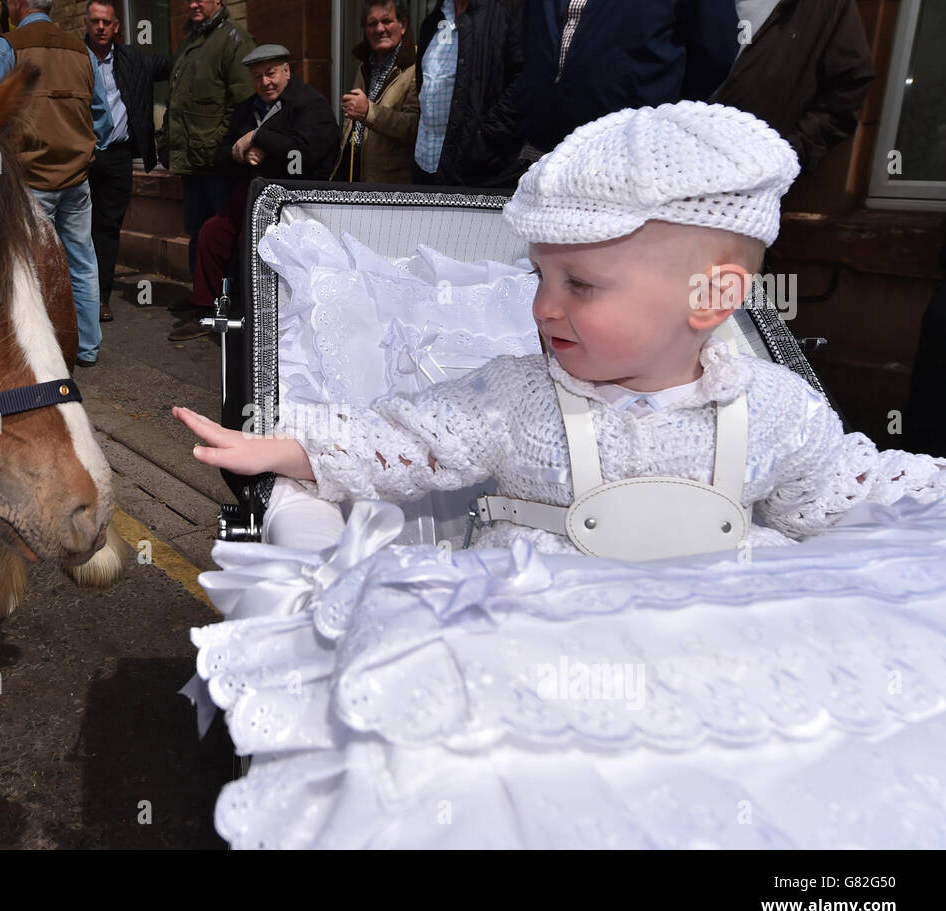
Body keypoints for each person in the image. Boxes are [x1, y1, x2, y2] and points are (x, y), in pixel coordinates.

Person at [174, 102, 946, 556]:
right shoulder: (515, 400)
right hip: (535, 640)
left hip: (709, 649)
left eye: (579, 284)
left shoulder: (778, 411)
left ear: (714, 297)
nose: (542, 305)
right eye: (539, 276)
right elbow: (409, 441)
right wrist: (290, 446)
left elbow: (858, 488)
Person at [168, 45, 339, 342]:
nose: (265, 82)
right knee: (212, 234)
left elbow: (306, 153)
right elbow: (220, 154)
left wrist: (260, 137)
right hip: (250, 192)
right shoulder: (247, 108)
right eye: (258, 76)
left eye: (271, 73)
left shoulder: (311, 105)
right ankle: (207, 310)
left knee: (259, 248)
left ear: (287, 71)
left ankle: (264, 323)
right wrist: (239, 155)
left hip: (293, 199)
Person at [0, 0, 113, 368]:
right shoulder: (81, 50)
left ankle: (42, 351)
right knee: (82, 259)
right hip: (76, 176)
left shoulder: (6, 47)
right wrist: (86, 149)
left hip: (29, 177)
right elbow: (102, 117)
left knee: (32, 266)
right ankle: (86, 347)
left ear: (18, 5)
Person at [514, 0, 739, 174]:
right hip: (545, 142)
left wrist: (661, 100)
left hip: (629, 147)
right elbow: (528, 35)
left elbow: (716, 51)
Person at [84, 0, 174, 323]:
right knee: (78, 228)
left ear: (117, 25)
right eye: (95, 21)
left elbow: (174, 66)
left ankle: (101, 297)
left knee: (108, 228)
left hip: (119, 157)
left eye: (107, 22)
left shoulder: (133, 58)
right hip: (83, 157)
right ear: (87, 23)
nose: (101, 27)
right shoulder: (74, 59)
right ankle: (78, 296)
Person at [714, 0, 875, 174]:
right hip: (685, 152)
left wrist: (789, 151)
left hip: (753, 174)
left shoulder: (826, 6)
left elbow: (850, 85)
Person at [161, 0, 255, 289]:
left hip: (218, 164)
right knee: (197, 232)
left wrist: (222, 148)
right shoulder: (192, 40)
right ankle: (200, 299)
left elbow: (244, 102)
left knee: (222, 234)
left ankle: (224, 305)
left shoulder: (234, 39)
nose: (193, 3)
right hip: (192, 161)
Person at [412, 0, 524, 188]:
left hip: (480, 173)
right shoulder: (435, 19)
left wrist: (481, 141)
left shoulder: (507, 12)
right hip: (426, 166)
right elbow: (423, 86)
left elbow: (523, 84)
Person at [330, 0, 419, 184]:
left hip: (393, 192)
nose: (379, 29)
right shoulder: (366, 65)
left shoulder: (417, 65)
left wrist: (368, 112)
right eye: (372, 23)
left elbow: (415, 127)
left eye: (386, 21)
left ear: (403, 26)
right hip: (357, 182)